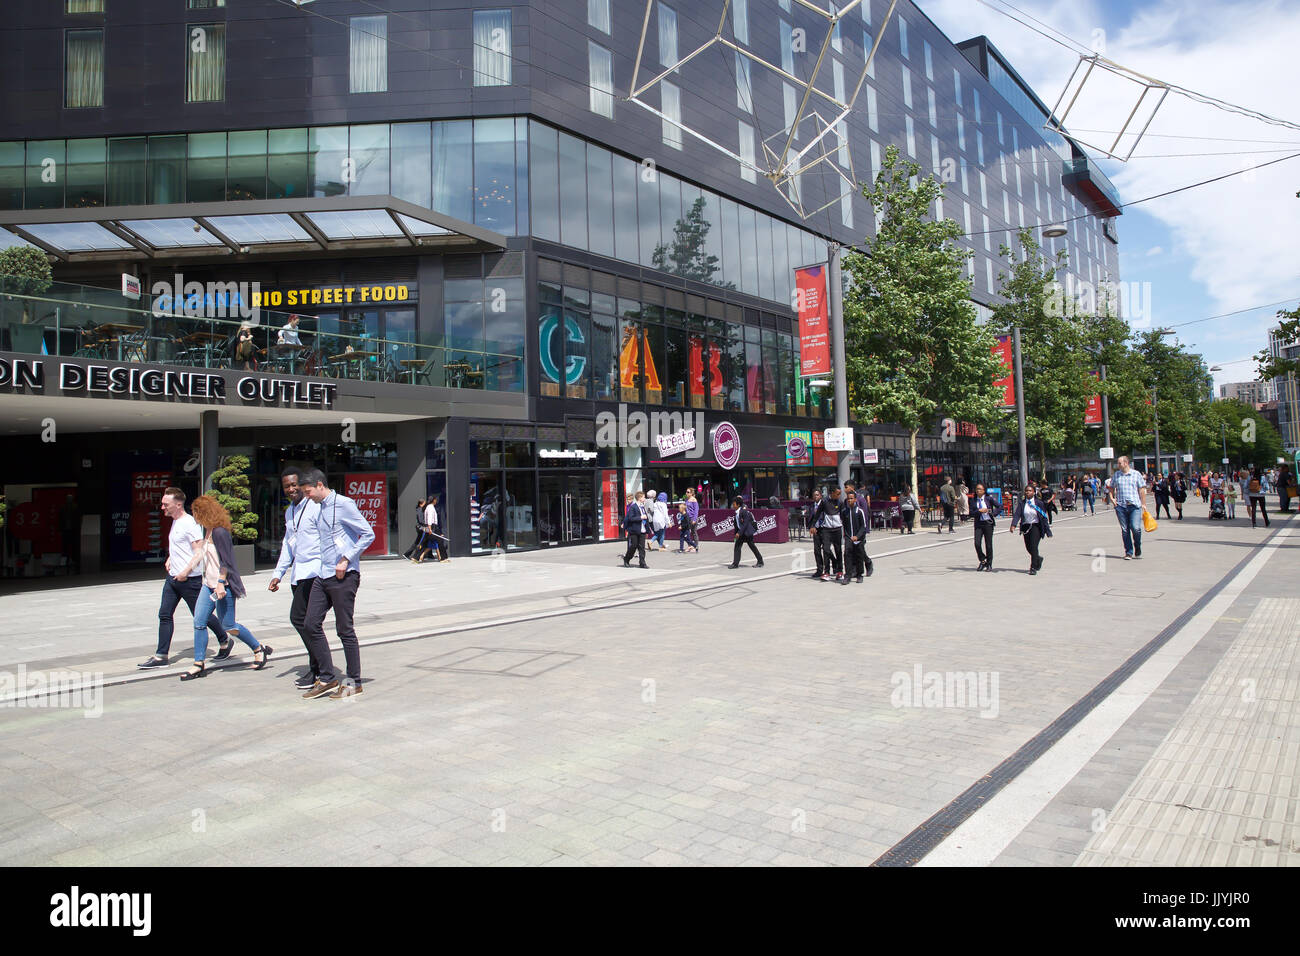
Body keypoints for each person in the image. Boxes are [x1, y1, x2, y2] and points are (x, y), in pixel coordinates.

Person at [298, 469, 375, 700]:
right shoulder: (318, 507)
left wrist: (346, 558)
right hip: (323, 574)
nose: (307, 496)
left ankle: (354, 682)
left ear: (320, 485)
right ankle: (327, 677)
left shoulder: (344, 504)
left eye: (308, 491)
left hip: (344, 575)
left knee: (344, 629)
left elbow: (368, 534)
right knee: (310, 623)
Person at [176, 495, 270, 680]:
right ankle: (198, 663)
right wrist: (186, 570)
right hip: (207, 585)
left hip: (223, 586)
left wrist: (220, 583)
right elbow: (202, 556)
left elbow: (227, 561)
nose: (194, 516)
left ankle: (258, 648)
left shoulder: (220, 532)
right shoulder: (208, 531)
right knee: (199, 622)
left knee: (228, 625)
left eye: (196, 512)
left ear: (204, 513)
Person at [138, 487, 229, 669]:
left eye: (166, 504)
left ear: (178, 505)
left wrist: (185, 572)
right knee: (165, 614)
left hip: (189, 580)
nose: (162, 507)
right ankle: (161, 656)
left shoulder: (190, 523)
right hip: (173, 579)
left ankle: (224, 639)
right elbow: (180, 547)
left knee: (201, 615)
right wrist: (171, 559)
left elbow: (199, 552)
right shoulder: (175, 522)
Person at [269, 466, 325, 690]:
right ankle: (317, 668)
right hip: (298, 574)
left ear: (302, 485)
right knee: (306, 623)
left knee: (302, 620)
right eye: (287, 486)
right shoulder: (289, 512)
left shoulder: (315, 507)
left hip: (314, 572)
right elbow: (288, 544)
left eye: (294, 485)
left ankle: (319, 668)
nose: (291, 489)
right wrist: (278, 573)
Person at [1107, 455, 1149, 560]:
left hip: (1134, 505)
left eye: (1119, 463)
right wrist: (1112, 499)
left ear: (1126, 463)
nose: (1118, 465)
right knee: (1125, 529)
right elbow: (1111, 487)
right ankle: (1128, 552)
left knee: (1136, 528)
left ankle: (1137, 546)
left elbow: (1142, 489)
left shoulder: (1136, 474)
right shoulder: (1116, 475)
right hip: (1121, 506)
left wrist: (1143, 504)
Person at [1010, 479, 1052, 575]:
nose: (1028, 492)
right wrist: (1013, 525)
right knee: (1028, 547)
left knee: (1033, 546)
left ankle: (1033, 567)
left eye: (1030, 491)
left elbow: (1044, 517)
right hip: (1026, 527)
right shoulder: (1022, 503)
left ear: (1034, 492)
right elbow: (1017, 514)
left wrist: (1048, 531)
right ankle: (1038, 558)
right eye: (1026, 491)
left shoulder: (1039, 503)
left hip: (1036, 527)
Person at [840, 489, 872, 582]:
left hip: (858, 537)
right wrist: (846, 536)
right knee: (847, 554)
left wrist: (857, 536)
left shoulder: (859, 511)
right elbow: (844, 525)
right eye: (848, 499)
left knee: (859, 555)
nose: (849, 500)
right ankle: (848, 575)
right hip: (848, 537)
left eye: (851, 498)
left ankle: (859, 574)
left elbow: (863, 526)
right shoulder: (844, 511)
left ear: (855, 500)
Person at [728, 496, 763, 568]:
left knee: (752, 546)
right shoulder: (737, 512)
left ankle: (760, 561)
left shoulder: (743, 511)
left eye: (734, 504)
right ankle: (735, 564)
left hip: (747, 532)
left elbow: (745, 523)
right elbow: (737, 525)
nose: (733, 506)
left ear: (738, 505)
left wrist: (739, 533)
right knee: (737, 547)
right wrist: (736, 533)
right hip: (741, 532)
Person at [971, 482, 997, 571]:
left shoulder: (989, 499)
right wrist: (979, 511)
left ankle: (989, 563)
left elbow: (999, 506)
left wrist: (992, 512)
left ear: (984, 490)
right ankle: (982, 560)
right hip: (979, 524)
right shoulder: (973, 500)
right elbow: (971, 513)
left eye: (980, 489)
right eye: (977, 489)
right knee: (977, 543)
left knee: (988, 545)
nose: (978, 491)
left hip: (988, 523)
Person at [820, 487, 845, 581]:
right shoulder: (824, 502)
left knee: (838, 550)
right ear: (832, 493)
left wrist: (845, 529)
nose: (839, 496)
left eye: (840, 494)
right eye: (837, 494)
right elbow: (818, 514)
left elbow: (843, 517)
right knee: (826, 550)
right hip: (826, 529)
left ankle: (840, 571)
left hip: (837, 529)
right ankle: (826, 572)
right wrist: (813, 525)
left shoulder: (840, 502)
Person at [622, 491, 649, 568]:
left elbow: (646, 518)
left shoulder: (642, 506)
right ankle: (627, 559)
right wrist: (640, 517)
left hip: (642, 529)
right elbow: (631, 518)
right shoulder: (633, 507)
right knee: (633, 546)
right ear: (639, 498)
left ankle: (642, 563)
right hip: (634, 530)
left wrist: (647, 529)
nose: (644, 498)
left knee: (642, 547)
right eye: (643, 497)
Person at [806, 489, 828, 579]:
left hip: (824, 529)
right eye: (814, 495)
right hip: (815, 530)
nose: (816, 497)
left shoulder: (824, 505)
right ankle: (819, 569)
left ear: (821, 496)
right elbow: (810, 518)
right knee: (817, 550)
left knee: (826, 550)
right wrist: (811, 527)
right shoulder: (812, 507)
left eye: (817, 495)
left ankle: (831, 567)